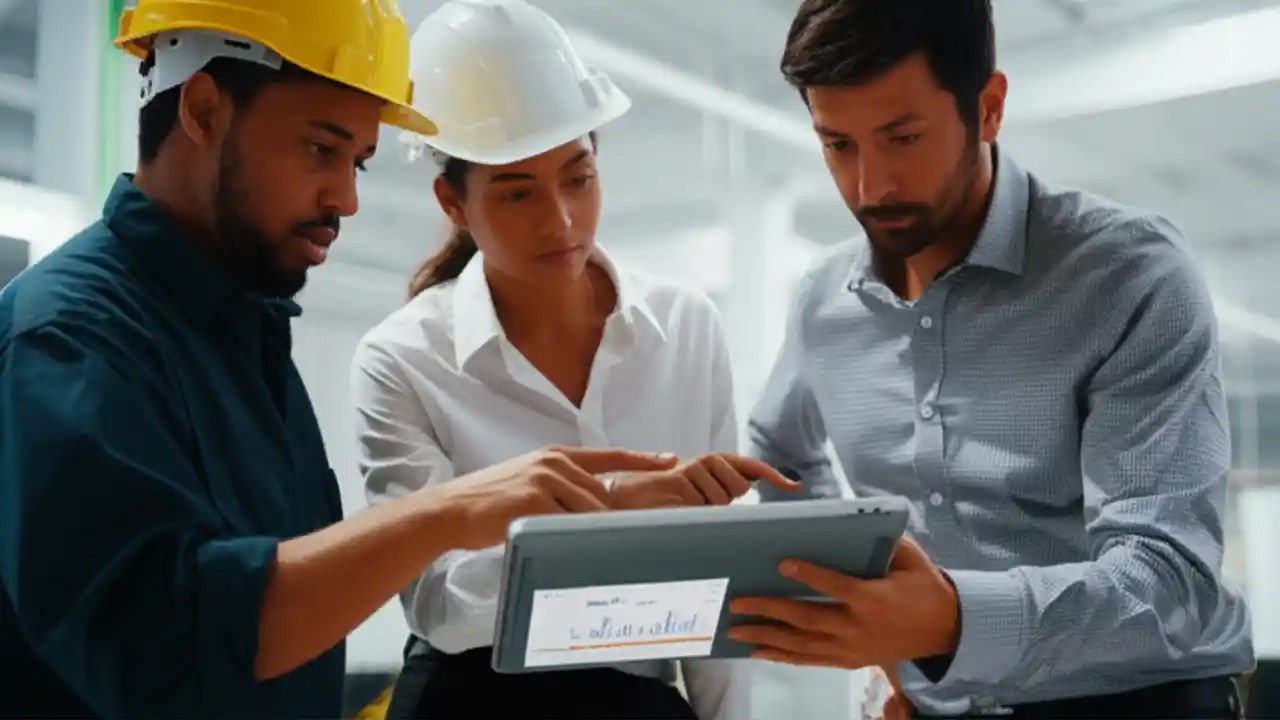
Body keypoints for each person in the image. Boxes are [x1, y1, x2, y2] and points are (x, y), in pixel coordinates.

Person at [0, 1, 684, 717]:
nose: (348, 198)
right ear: (203, 109)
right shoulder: (71, 339)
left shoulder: (240, 336)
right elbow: (162, 644)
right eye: (320, 150)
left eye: (357, 162)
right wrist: (445, 515)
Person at [724, 1, 1254, 718]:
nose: (868, 187)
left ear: (990, 107)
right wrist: (882, 627)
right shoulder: (822, 300)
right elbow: (777, 455)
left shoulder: (1129, 276)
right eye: (837, 146)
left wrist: (945, 620)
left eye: (902, 137)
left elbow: (1168, 580)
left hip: (1138, 700)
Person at [350, 2, 796, 718]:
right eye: (517, 191)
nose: (559, 219)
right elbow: (437, 605)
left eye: (578, 177)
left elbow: (716, 598)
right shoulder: (403, 361)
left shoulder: (683, 329)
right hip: (472, 703)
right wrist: (612, 513)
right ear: (452, 201)